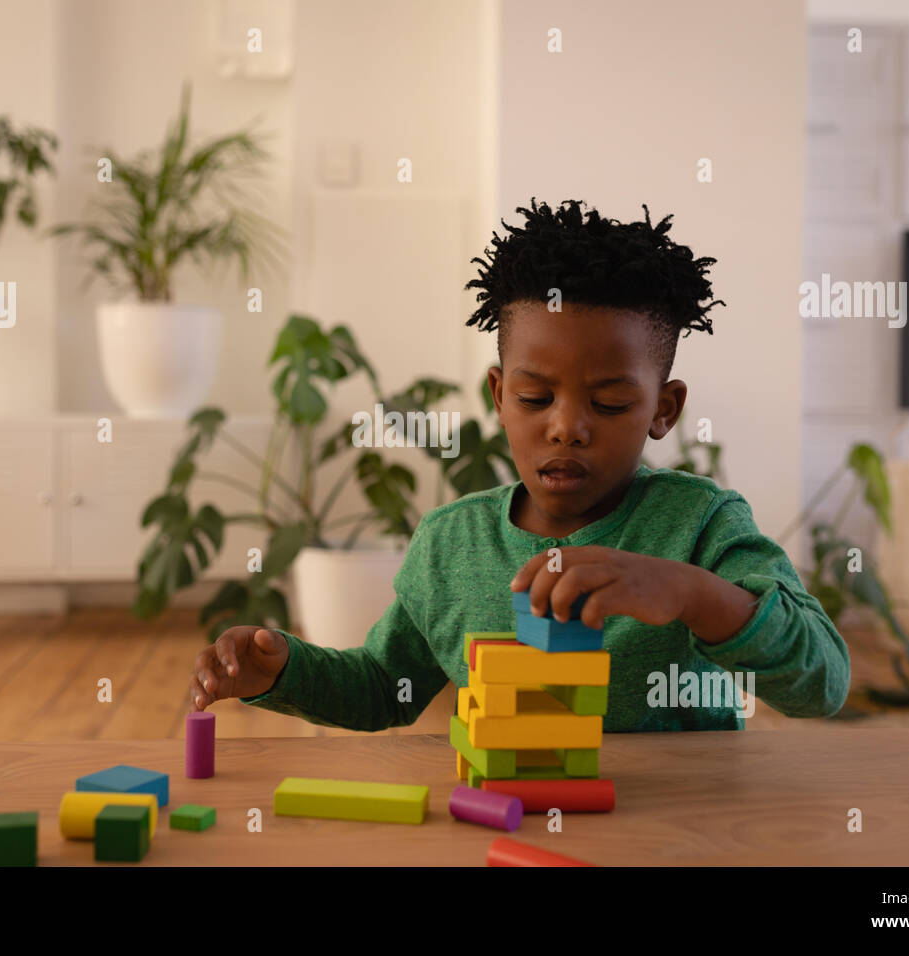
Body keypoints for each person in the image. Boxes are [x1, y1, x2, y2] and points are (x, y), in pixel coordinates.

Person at [188, 197, 850, 731]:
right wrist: (281, 672)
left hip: (675, 831)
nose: (567, 426)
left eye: (611, 401)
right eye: (536, 398)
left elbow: (822, 682)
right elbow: (385, 689)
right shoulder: (450, 544)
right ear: (500, 397)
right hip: (510, 825)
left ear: (664, 408)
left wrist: (689, 592)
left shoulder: (700, 525)